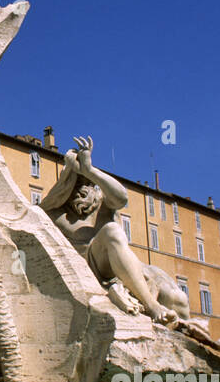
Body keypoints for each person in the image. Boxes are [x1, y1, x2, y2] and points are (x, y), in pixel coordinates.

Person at [41, 136, 185, 326]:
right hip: (91, 268)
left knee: (176, 296)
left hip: (121, 269)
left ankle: (187, 328)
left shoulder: (102, 206)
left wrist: (90, 170)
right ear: (66, 182)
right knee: (112, 231)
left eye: (89, 182)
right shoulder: (54, 212)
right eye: (78, 180)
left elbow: (121, 198)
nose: (84, 187)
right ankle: (151, 306)